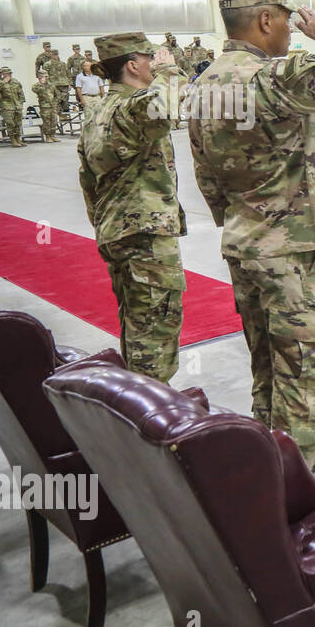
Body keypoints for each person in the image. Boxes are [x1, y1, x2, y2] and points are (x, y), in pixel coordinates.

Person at [187, 0, 315, 470]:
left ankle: (262, 478)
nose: (291, 28)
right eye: (286, 19)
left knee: (268, 370)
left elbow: (206, 175)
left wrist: (244, 220)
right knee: (305, 378)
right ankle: (293, 489)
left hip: (245, 245)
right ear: (265, 20)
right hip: (292, 256)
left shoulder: (204, 83)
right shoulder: (272, 77)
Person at [77, 33, 188, 379]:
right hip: (145, 237)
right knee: (155, 336)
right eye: (149, 57)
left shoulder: (97, 112)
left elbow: (87, 181)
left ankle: (135, 399)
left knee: (137, 327)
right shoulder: (132, 107)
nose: (155, 62)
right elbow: (168, 104)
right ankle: (151, 406)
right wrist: (169, 70)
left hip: (117, 231)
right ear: (133, 65)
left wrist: (104, 225)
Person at [0, 67, 27, 147]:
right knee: (10, 123)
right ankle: (13, 140)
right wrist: (3, 83)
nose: (8, 75)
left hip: (17, 106)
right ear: (2, 74)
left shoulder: (15, 82)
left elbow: (21, 93)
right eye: (6, 73)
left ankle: (18, 139)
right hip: (6, 106)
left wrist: (21, 103)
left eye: (9, 73)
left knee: (18, 123)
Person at [31, 71, 60, 142]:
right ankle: (48, 136)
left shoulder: (51, 85)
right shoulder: (36, 86)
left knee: (54, 121)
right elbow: (35, 90)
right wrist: (41, 84)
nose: (45, 78)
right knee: (46, 121)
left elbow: (57, 95)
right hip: (44, 106)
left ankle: (53, 135)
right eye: (43, 76)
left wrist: (55, 102)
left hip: (53, 106)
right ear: (39, 77)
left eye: (46, 76)